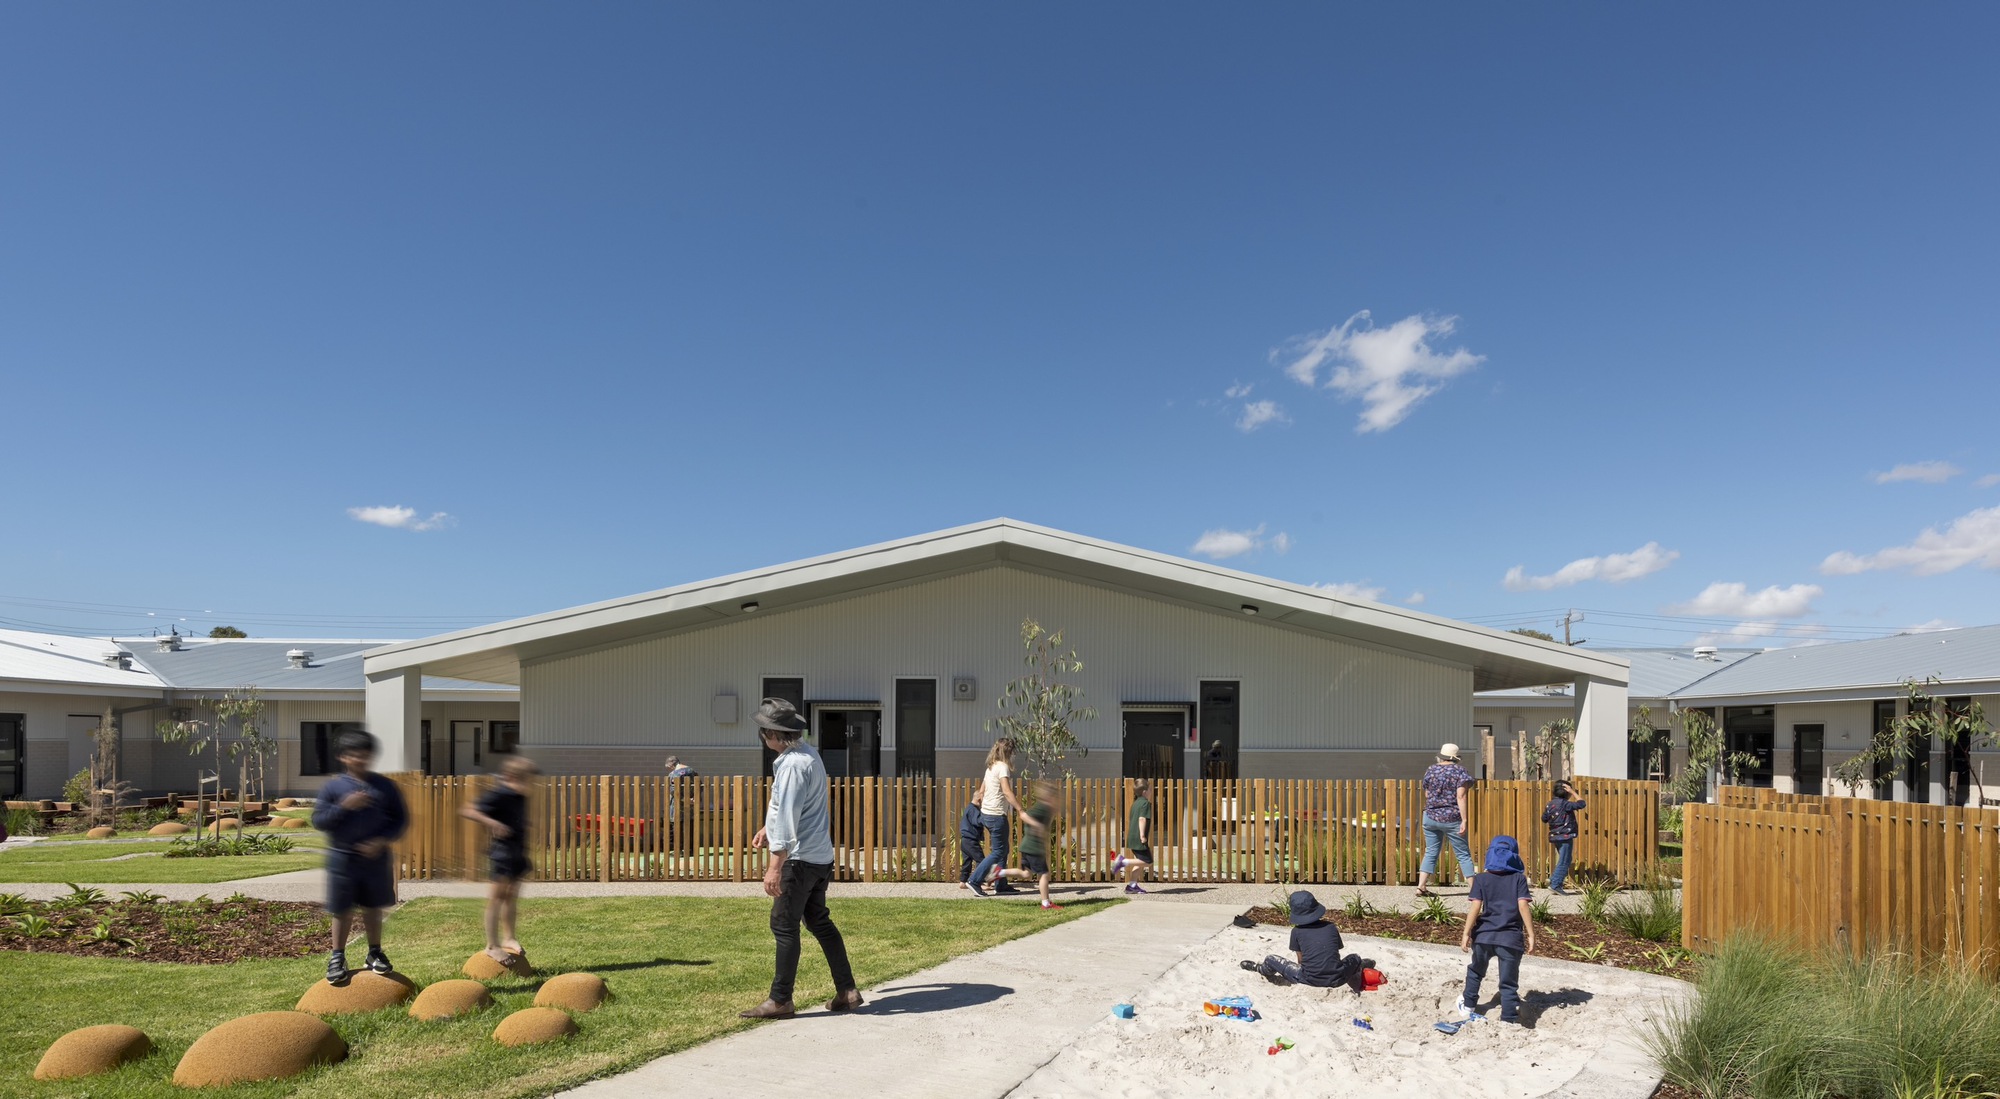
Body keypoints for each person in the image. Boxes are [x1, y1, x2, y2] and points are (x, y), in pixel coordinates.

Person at [739, 697, 862, 1020]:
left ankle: (780, 1000)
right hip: (818, 856)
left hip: (799, 859)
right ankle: (847, 991)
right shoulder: (808, 754)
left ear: (773, 734)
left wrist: (774, 867)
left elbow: (789, 816)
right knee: (819, 921)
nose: (762, 736)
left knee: (783, 925)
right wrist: (768, 827)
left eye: (763, 730)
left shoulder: (792, 766)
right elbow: (795, 807)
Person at [310, 729, 409, 986]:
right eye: (355, 755)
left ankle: (374, 952)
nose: (361, 760)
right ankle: (337, 956)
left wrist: (381, 841)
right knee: (341, 908)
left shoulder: (386, 786)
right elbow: (319, 821)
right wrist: (344, 805)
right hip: (342, 859)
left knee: (373, 906)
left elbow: (400, 820)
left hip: (376, 859)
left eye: (366, 755)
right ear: (343, 757)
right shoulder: (333, 787)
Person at [460, 755, 539, 965]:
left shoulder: (519, 796)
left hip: (517, 852)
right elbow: (468, 810)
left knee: (511, 896)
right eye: (526, 779)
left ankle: (509, 937)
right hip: (503, 853)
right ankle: (492, 945)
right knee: (496, 898)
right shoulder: (499, 793)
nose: (530, 784)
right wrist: (492, 823)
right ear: (511, 776)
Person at [1458, 835, 1536, 1024]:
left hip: (1484, 936)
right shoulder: (1518, 879)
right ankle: (1508, 1019)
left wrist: (1466, 933)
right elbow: (1523, 906)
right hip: (1510, 939)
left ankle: (1468, 1006)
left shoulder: (1481, 879)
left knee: (1476, 971)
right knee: (1508, 983)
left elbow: (1476, 907)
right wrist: (1531, 934)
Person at [1240, 889, 1368, 991]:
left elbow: (1300, 961)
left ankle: (1259, 968)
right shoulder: (1331, 927)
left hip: (1309, 980)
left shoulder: (1296, 932)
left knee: (1271, 959)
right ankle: (1361, 966)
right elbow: (1335, 952)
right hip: (1337, 978)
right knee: (1355, 957)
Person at [991, 778, 1063, 909]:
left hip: (1028, 847)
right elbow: (1024, 815)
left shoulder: (1046, 808)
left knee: (1026, 874)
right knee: (1044, 874)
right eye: (1055, 796)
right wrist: (1037, 825)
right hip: (1034, 848)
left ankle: (999, 873)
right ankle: (1046, 903)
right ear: (1049, 797)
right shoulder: (1042, 808)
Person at [1416, 742, 1476, 897]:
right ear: (1455, 757)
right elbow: (1461, 796)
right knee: (1463, 853)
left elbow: (1427, 794)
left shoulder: (1431, 770)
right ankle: (1474, 889)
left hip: (1430, 816)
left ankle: (1421, 886)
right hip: (1451, 817)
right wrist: (1464, 820)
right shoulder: (1460, 771)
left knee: (1431, 851)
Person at [967, 738, 1023, 898]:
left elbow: (981, 791)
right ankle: (974, 881)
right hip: (997, 815)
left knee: (1003, 849)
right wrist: (1020, 809)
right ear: (1009, 752)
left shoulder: (991, 767)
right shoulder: (1003, 768)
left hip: (987, 814)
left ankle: (1001, 885)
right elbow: (1006, 791)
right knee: (998, 851)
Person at [1541, 779, 1588, 895]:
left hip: (1555, 836)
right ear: (1566, 792)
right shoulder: (1565, 804)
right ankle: (1556, 884)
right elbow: (1582, 803)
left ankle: (1553, 879)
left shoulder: (1550, 804)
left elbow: (1544, 819)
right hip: (1565, 836)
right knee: (1564, 860)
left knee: (1565, 859)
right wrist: (1573, 792)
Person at [1109, 778, 1154, 894]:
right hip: (1139, 838)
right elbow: (1142, 819)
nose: (1151, 792)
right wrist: (1142, 835)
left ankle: (1132, 886)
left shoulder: (1135, 804)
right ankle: (1122, 862)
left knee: (1139, 862)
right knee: (1148, 861)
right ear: (1144, 792)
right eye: (1150, 790)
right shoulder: (1145, 803)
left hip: (1132, 837)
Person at [957, 797, 985, 889]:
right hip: (971, 840)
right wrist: (986, 818)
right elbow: (977, 822)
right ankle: (977, 882)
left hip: (965, 840)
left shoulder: (969, 808)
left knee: (967, 861)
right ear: (979, 800)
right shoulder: (974, 809)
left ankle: (963, 881)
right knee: (981, 861)